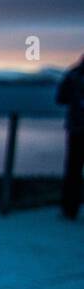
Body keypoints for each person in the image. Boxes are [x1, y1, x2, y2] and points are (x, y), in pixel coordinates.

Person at [55, 53, 84, 220]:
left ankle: (69, 209)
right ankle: (69, 208)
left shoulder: (73, 75)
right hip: (76, 128)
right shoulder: (73, 75)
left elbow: (61, 98)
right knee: (73, 169)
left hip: (76, 129)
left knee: (73, 169)